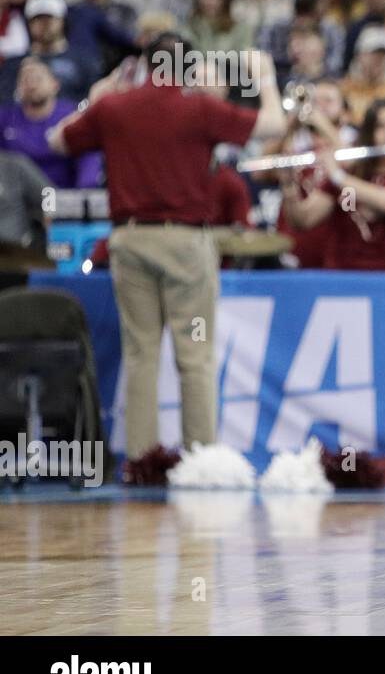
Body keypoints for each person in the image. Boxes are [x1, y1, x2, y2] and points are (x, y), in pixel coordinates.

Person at [47, 38, 286, 463]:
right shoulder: (199, 109)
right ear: (190, 70)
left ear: (143, 64)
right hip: (184, 245)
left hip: (130, 241)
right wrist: (264, 76)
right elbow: (273, 126)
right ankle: (200, 461)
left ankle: (143, 464)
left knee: (141, 356)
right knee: (193, 354)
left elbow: (57, 142)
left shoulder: (114, 107)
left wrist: (95, 96)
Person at [281, 99, 385, 270]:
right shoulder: (351, 175)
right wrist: (288, 185)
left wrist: (337, 175)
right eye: (380, 127)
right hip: (346, 276)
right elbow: (303, 220)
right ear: (368, 134)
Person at [0, 57, 101, 188]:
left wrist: (84, 193)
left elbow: (88, 157)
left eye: (37, 79)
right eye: (25, 79)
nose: (31, 85)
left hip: (64, 197)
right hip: (19, 200)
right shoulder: (5, 118)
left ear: (55, 84)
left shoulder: (73, 115)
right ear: (17, 87)